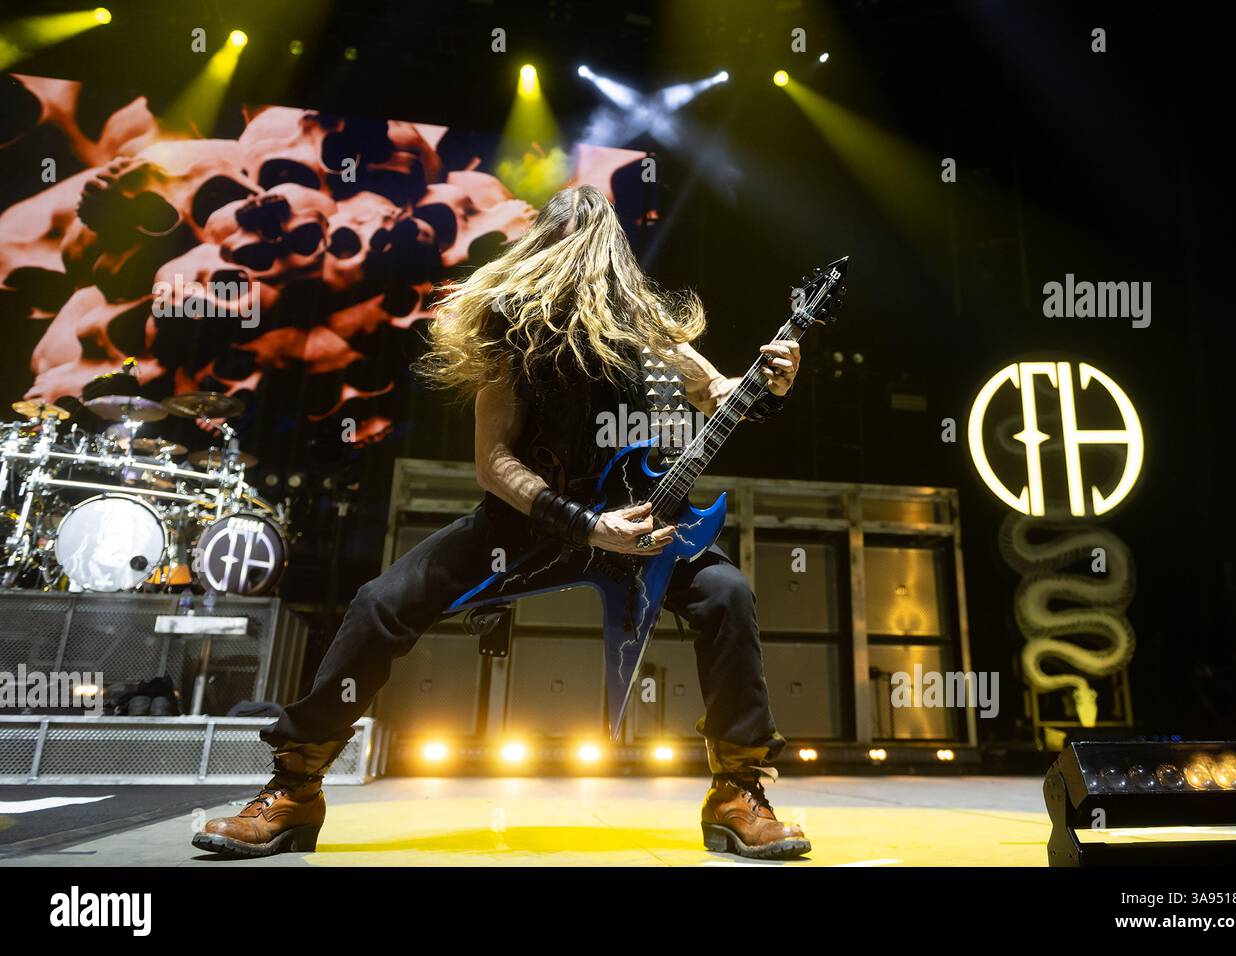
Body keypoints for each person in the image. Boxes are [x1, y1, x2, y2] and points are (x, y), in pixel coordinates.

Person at [193, 184, 810, 860]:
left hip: (640, 521)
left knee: (728, 594)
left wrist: (770, 385)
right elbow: (493, 463)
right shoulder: (514, 332)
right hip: (532, 523)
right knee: (381, 603)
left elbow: (718, 394)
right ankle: (295, 788)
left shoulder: (645, 329)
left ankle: (738, 791)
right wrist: (583, 525)